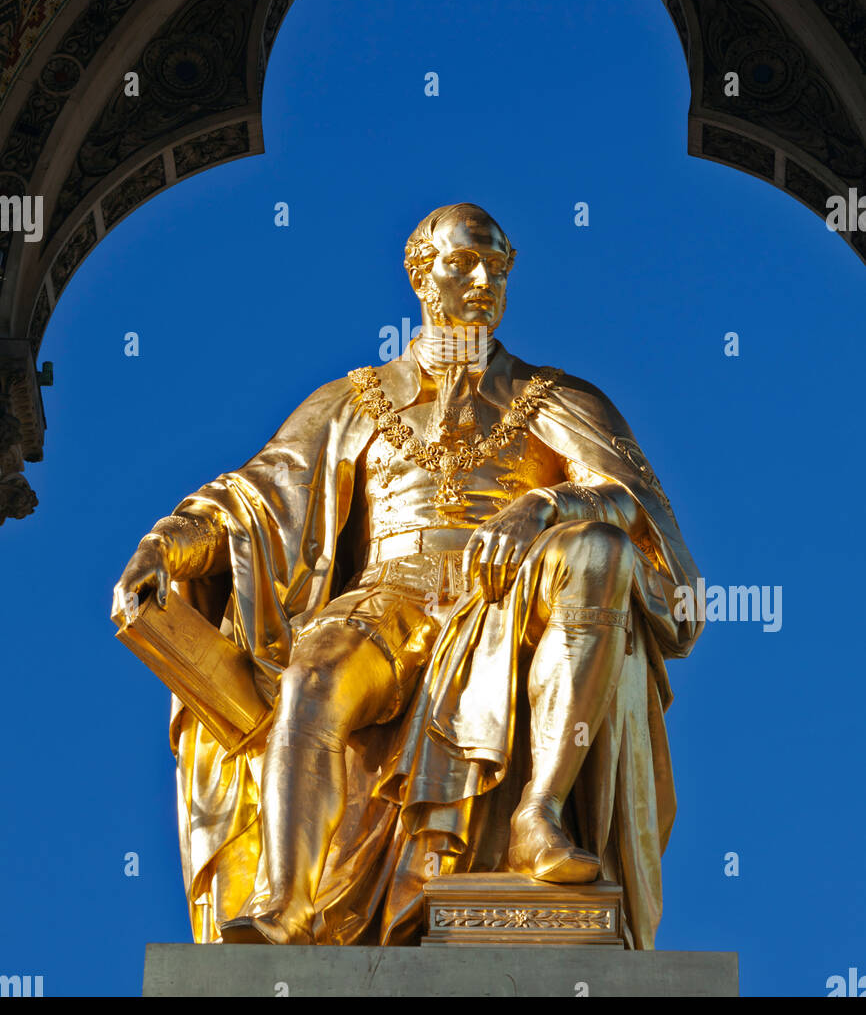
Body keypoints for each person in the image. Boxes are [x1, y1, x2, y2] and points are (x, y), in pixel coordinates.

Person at [112, 202, 702, 948]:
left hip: (508, 595)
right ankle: (288, 905)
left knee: (600, 553)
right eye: (463, 264)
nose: (484, 279)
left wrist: (546, 507)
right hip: (385, 599)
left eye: (497, 265)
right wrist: (162, 548)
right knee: (315, 677)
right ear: (422, 277)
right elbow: (250, 500)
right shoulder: (352, 401)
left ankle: (538, 815)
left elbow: (638, 508)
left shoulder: (561, 398)